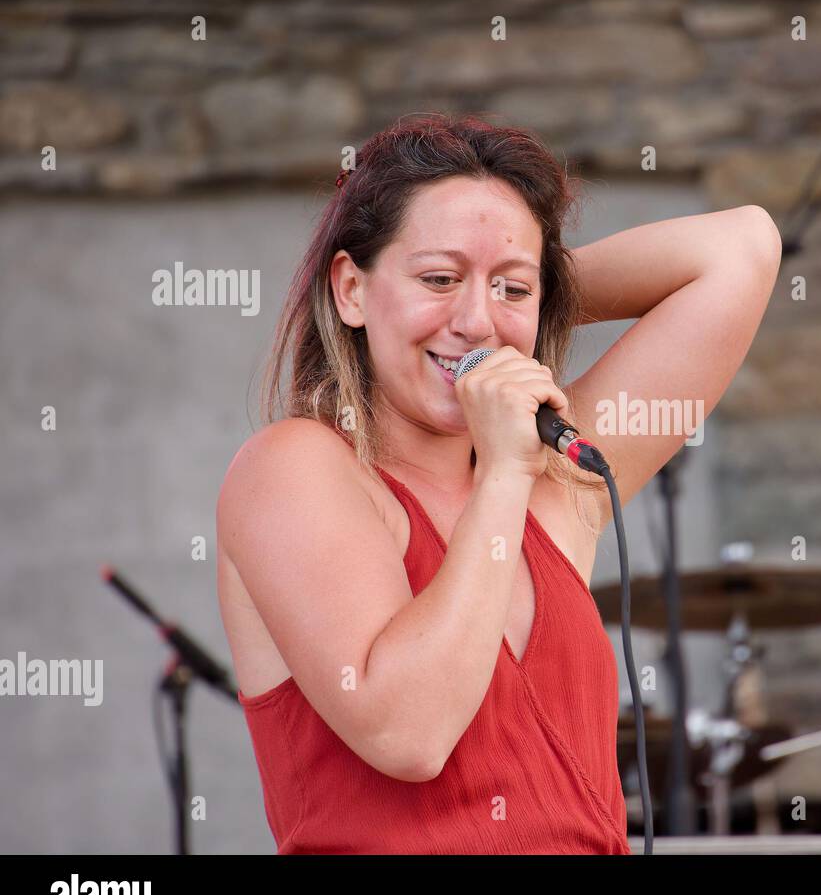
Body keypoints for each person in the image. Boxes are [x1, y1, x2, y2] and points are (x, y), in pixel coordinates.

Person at [216, 113, 782, 853]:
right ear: (351, 289)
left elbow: (740, 249)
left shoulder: (554, 484)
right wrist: (506, 468)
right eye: (437, 278)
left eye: (513, 288)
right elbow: (408, 734)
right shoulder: (294, 467)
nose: (476, 321)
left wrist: (522, 299)